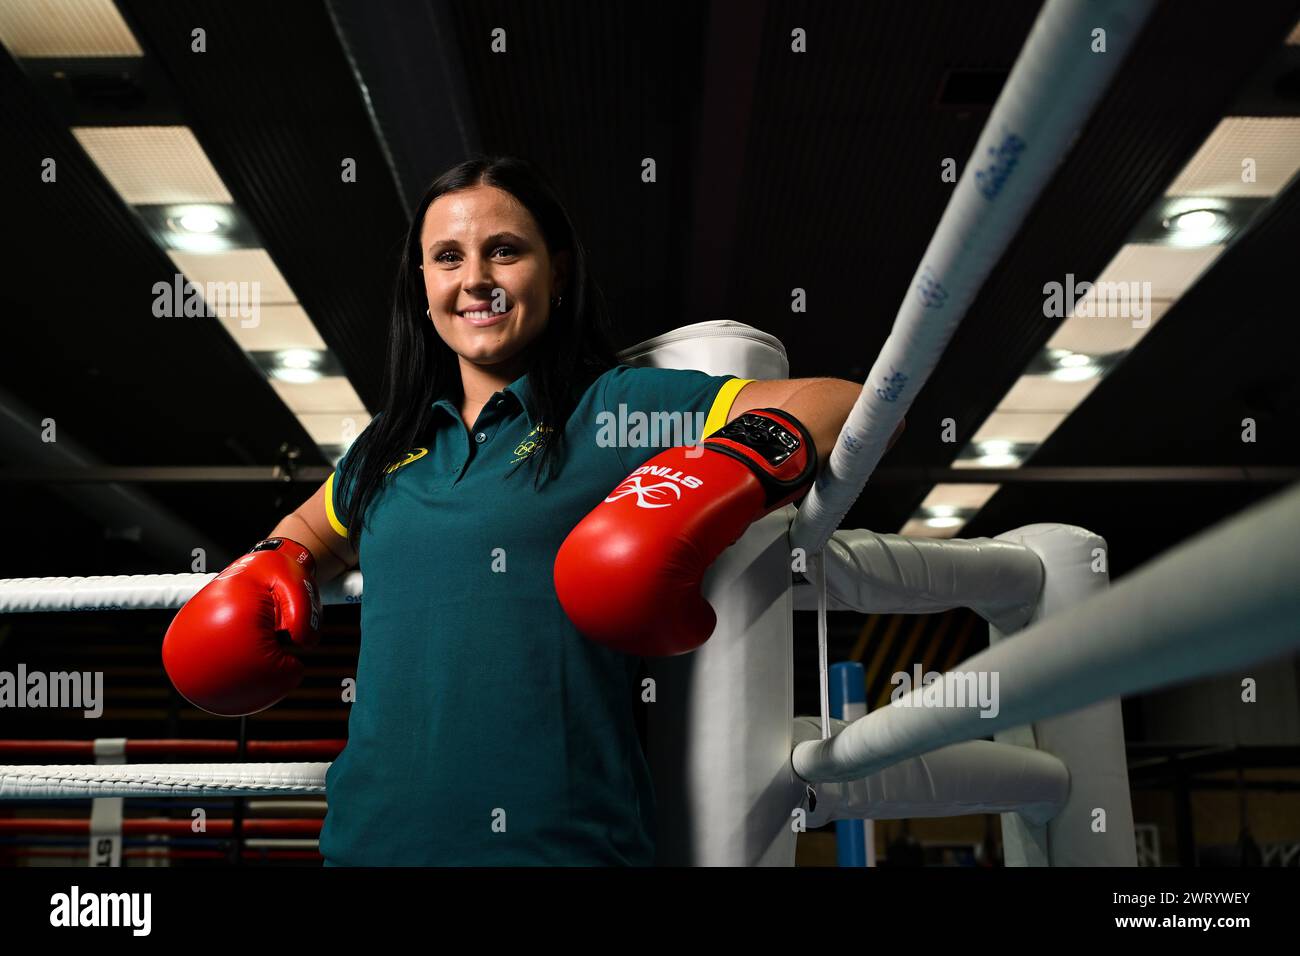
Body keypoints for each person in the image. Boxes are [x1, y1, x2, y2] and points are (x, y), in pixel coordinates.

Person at [163, 155, 893, 866]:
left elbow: (843, 403)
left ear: (559, 270)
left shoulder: (614, 409)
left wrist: (720, 471)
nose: (475, 278)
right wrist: (278, 559)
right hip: (367, 842)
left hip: (560, 844)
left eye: (504, 251)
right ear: (422, 284)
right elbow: (307, 529)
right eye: (447, 257)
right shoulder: (389, 443)